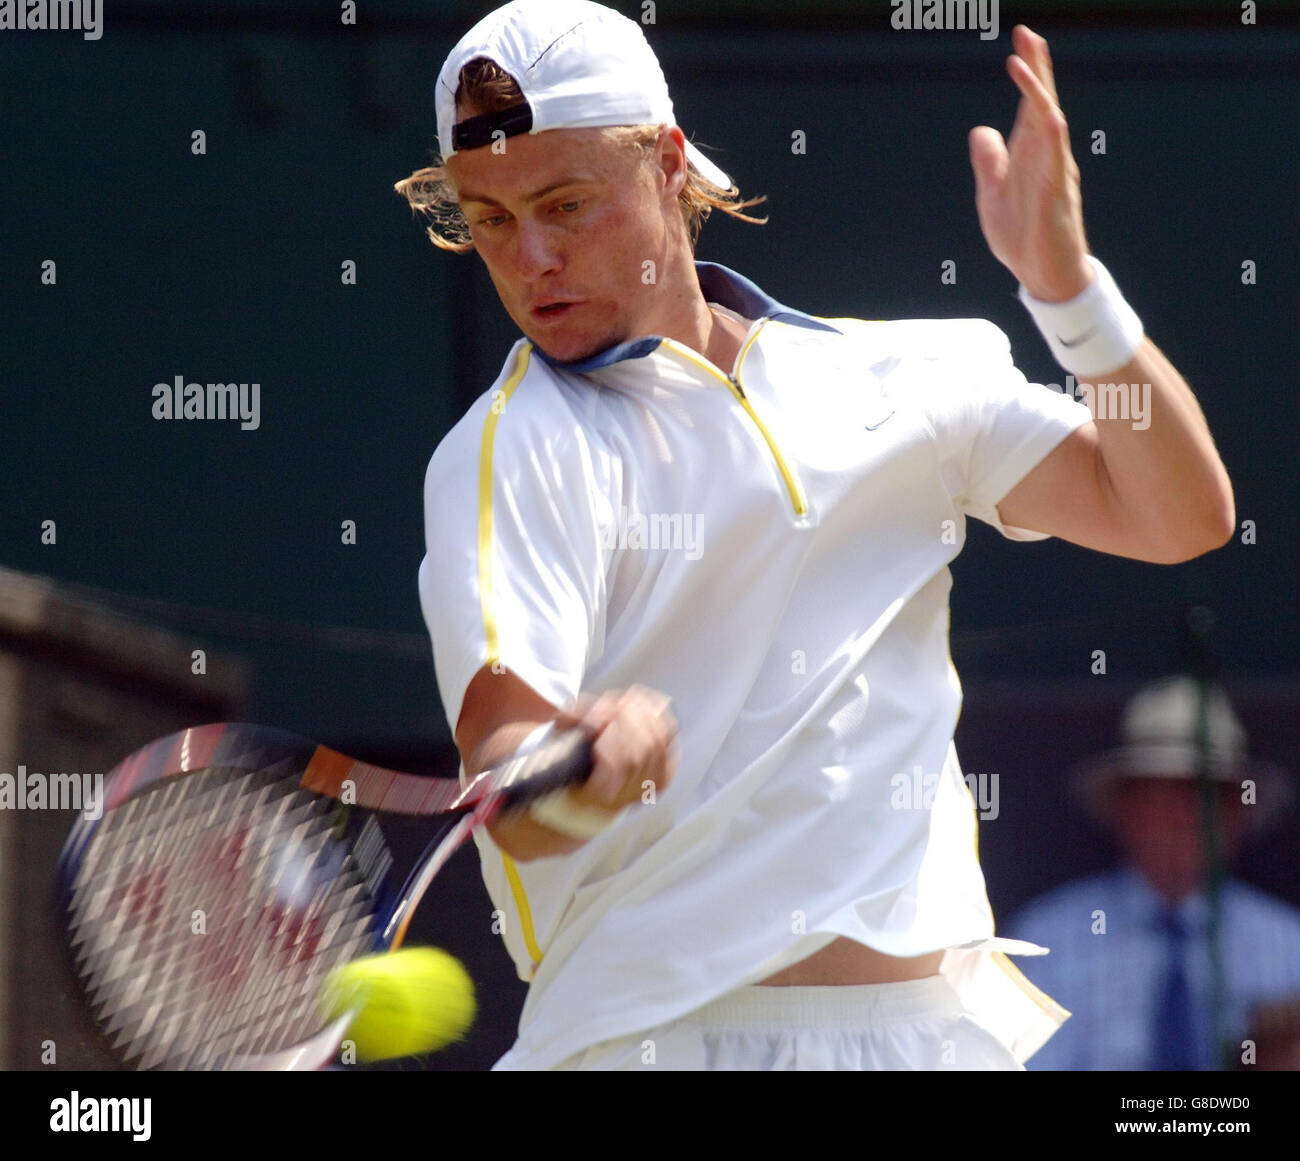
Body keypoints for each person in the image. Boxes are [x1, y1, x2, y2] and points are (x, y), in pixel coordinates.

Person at [398, 0, 1235, 1070]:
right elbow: (511, 787)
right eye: (490, 220)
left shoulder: (905, 380)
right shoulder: (512, 451)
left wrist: (1068, 295)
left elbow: (1178, 517)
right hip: (649, 1043)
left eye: (565, 204)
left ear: (665, 165)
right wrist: (585, 776)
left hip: (935, 1037)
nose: (533, 259)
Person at [1008, 676, 1300, 1071]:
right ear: (1123, 807)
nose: (1186, 817)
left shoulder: (1289, 946)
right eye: (1164, 796)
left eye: (1208, 797)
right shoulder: (1043, 940)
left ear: (1240, 815)